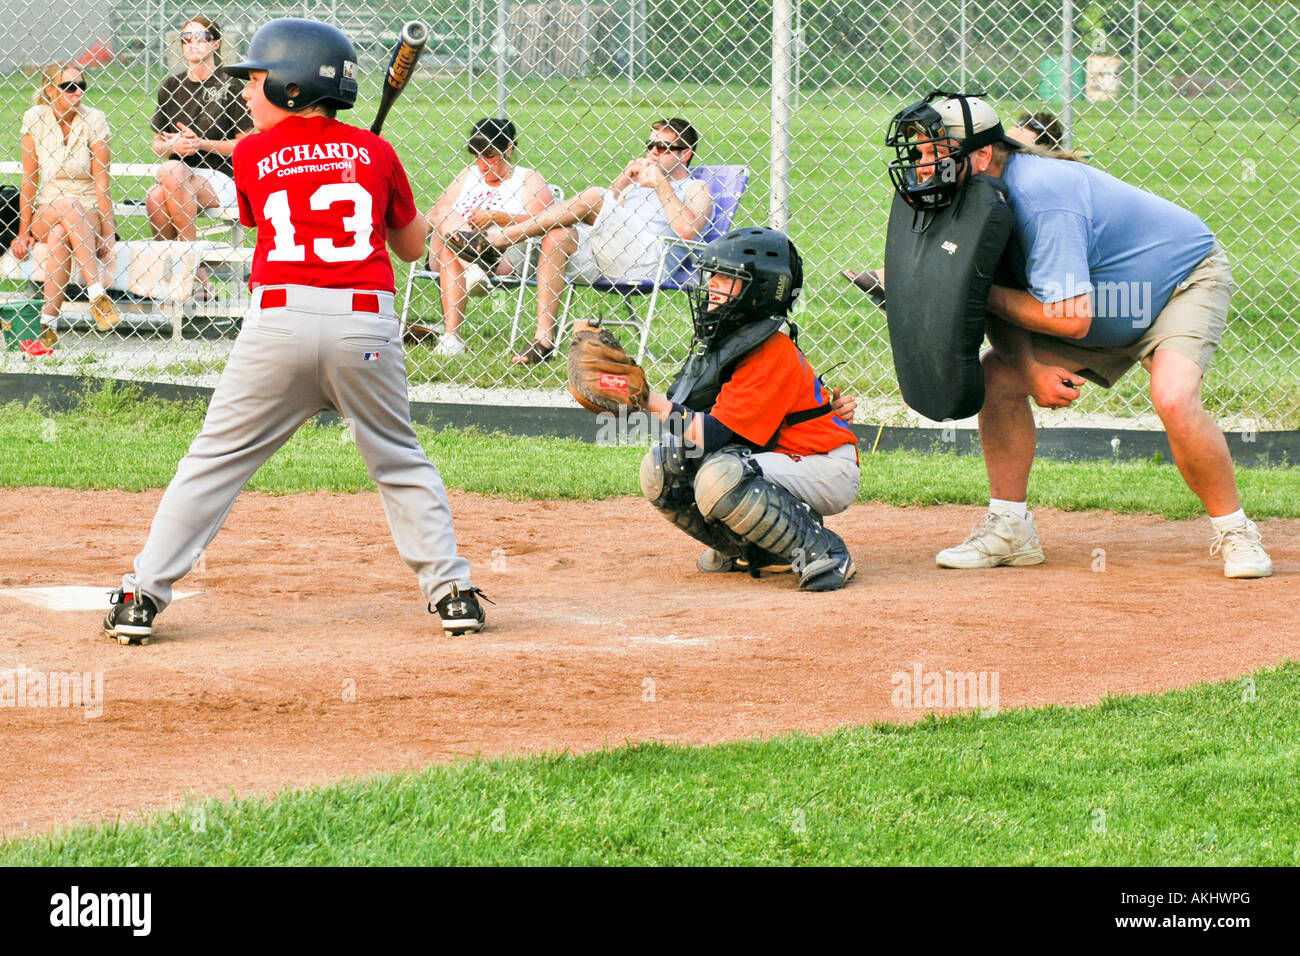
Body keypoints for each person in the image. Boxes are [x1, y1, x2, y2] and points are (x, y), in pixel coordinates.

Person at [103, 18, 488, 646]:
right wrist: (370, 174)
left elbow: (269, 215)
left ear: (289, 88)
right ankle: (452, 592)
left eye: (254, 82)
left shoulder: (254, 153)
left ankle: (142, 595)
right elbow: (414, 249)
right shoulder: (378, 152)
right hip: (364, 324)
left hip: (278, 325)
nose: (246, 95)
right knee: (398, 460)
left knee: (214, 461)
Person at [884, 92, 1272, 579]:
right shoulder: (970, 196)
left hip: (1176, 285)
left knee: (1173, 397)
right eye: (916, 154)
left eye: (930, 154)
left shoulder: (1044, 199)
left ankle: (1235, 531)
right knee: (999, 377)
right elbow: (1007, 299)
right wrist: (1027, 367)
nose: (919, 167)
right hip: (1100, 301)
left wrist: (969, 288)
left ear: (981, 155)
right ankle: (1010, 532)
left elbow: (1067, 318)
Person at [638, 226, 859, 592]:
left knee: (722, 476)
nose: (712, 286)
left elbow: (713, 435)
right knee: (664, 464)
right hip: (775, 456)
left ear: (758, 291)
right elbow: (693, 423)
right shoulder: (730, 341)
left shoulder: (771, 350)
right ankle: (750, 548)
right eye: (715, 276)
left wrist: (645, 401)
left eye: (728, 278)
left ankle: (822, 552)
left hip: (823, 463)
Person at [486, 117, 713, 364]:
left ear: (685, 154)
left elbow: (688, 231)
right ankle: (543, 341)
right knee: (559, 235)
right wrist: (624, 180)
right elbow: (600, 216)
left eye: (663, 147)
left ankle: (501, 238)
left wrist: (659, 183)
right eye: (650, 145)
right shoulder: (637, 186)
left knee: (595, 194)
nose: (653, 153)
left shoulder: (696, 187)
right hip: (608, 257)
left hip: (650, 260)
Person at [843, 108, 1070, 301]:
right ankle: (902, 278)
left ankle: (904, 280)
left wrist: (968, 289)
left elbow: (1069, 316)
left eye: (1020, 144)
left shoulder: (1038, 192)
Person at [412, 118, 555, 356]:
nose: (482, 164)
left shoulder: (527, 178)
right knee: (447, 218)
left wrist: (497, 217)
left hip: (501, 252)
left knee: (452, 248)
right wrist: (458, 227)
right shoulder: (467, 175)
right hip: (461, 247)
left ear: (508, 149)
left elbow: (544, 221)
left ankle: (452, 338)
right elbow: (436, 215)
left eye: (489, 156)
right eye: (476, 156)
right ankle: (471, 268)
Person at [8, 63, 120, 351]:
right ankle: (97, 293)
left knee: (60, 236)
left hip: (88, 209)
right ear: (49, 90)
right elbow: (30, 180)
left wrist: (108, 232)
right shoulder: (35, 118)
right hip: (47, 206)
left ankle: (47, 326)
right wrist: (23, 232)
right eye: (69, 86)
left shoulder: (94, 119)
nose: (77, 92)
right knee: (63, 211)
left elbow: (101, 183)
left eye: (82, 85)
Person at [146, 16, 253, 245]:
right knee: (156, 195)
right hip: (178, 174)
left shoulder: (232, 84)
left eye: (201, 37)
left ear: (216, 44)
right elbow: (157, 144)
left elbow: (245, 147)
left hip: (222, 177)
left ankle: (187, 261)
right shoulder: (171, 86)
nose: (192, 43)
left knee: (168, 177)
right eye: (186, 38)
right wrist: (173, 146)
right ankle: (191, 272)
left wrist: (200, 144)